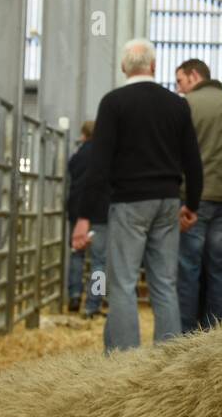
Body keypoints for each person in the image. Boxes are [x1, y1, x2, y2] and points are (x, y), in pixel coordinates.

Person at [74, 39, 204, 352]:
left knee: (123, 285)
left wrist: (83, 216)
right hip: (167, 202)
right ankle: (168, 360)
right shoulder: (177, 104)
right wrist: (192, 204)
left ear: (123, 68)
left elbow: (99, 163)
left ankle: (124, 360)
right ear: (154, 66)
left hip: (129, 202)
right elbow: (193, 160)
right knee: (164, 284)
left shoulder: (113, 103)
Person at [174, 59, 222, 330]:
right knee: (220, 269)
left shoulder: (186, 106)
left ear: (194, 76)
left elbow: (177, 155)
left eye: (180, 81)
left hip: (193, 201)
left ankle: (184, 336)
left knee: (188, 268)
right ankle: (216, 334)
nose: (179, 89)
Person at [65, 120, 107, 317]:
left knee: (76, 255)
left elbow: (71, 173)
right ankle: (93, 304)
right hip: (100, 214)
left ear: (84, 135)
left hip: (77, 211)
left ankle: (74, 295)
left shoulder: (77, 156)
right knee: (99, 261)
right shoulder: (106, 155)